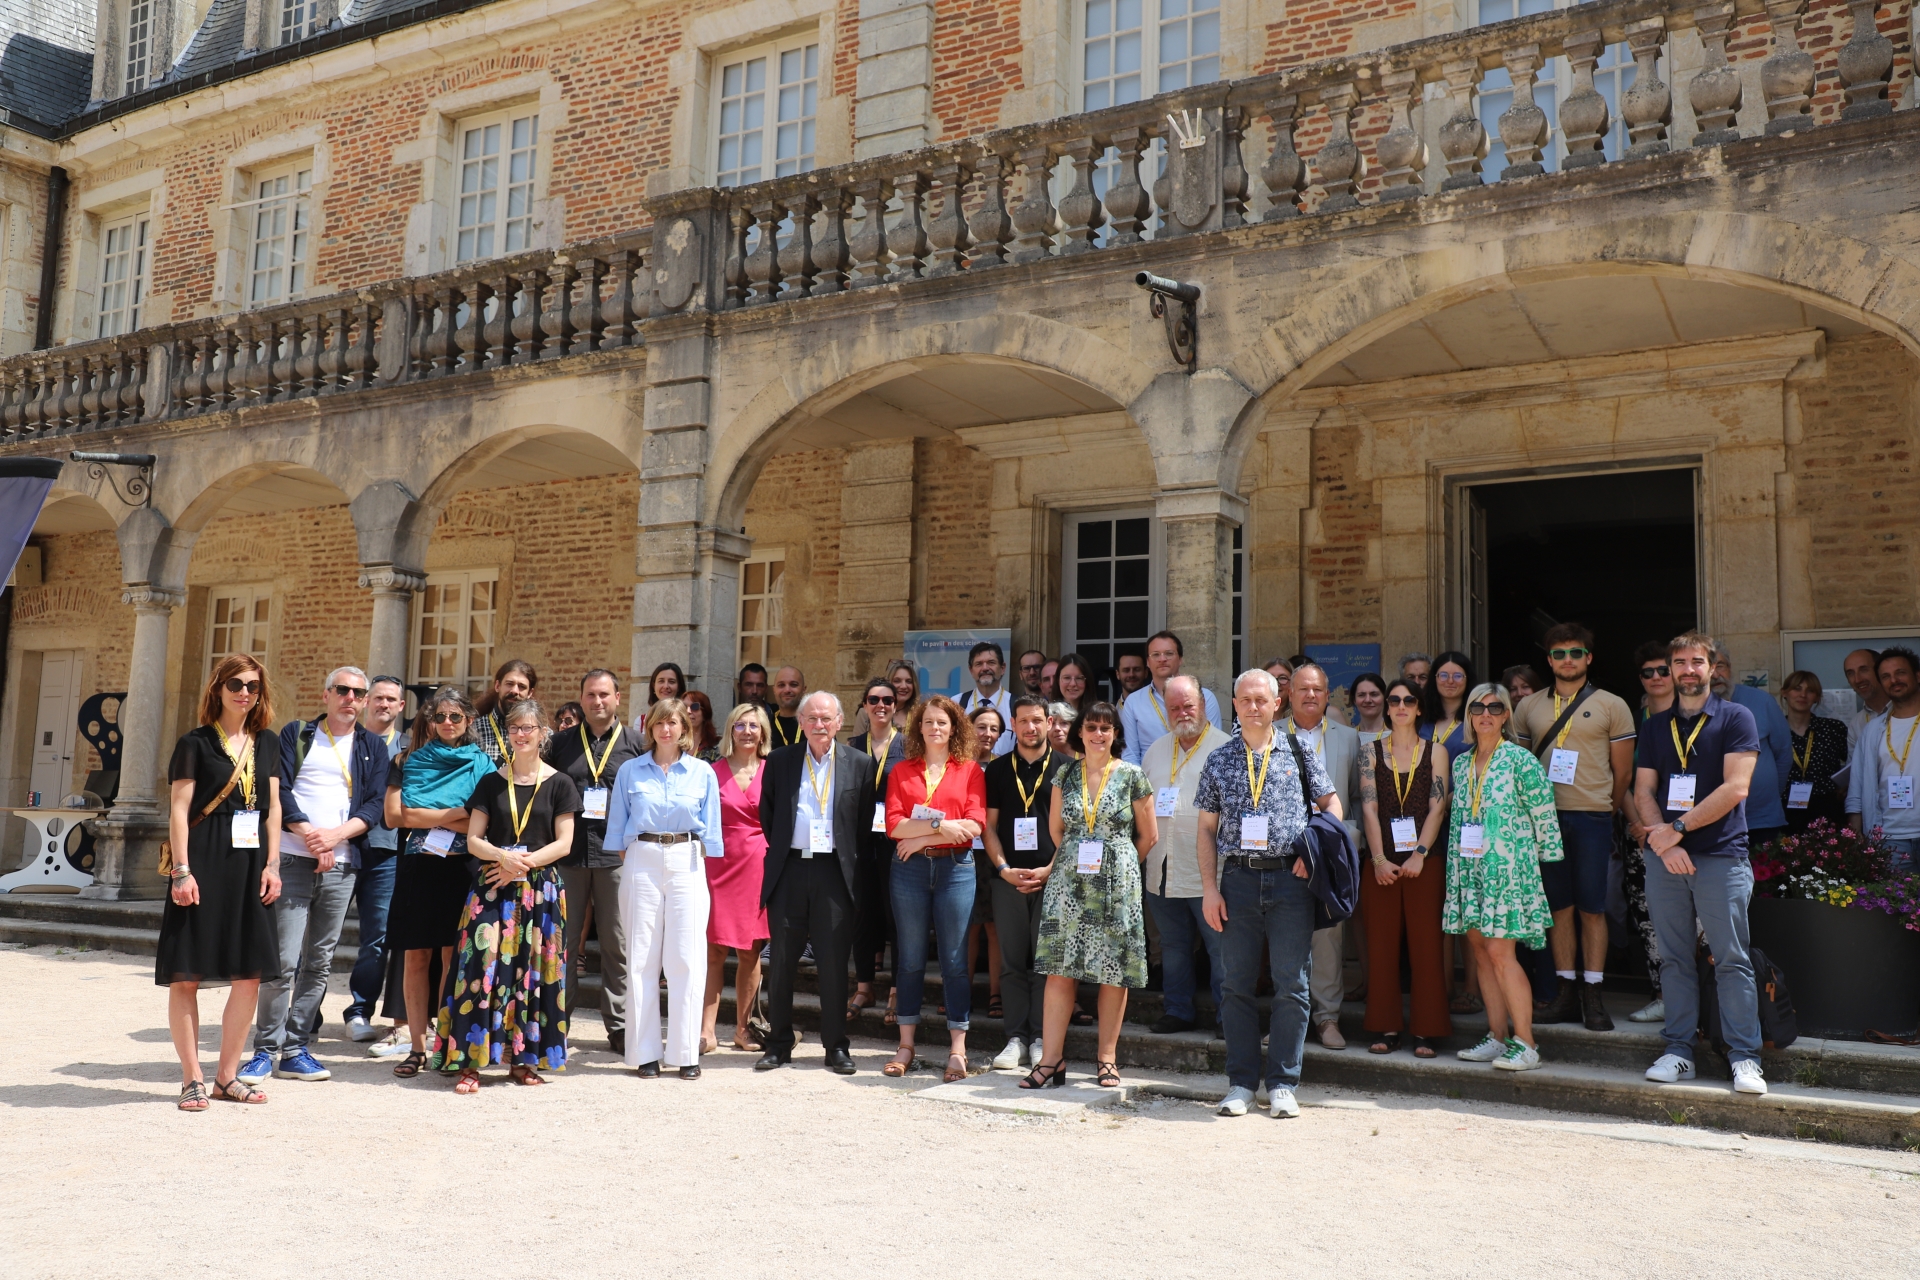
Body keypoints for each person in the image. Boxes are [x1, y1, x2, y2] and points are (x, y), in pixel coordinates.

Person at [235, 666, 391, 1086]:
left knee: (319, 962)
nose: (351, 698)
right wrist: (308, 834)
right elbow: (279, 789)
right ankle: (265, 1050)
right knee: (283, 960)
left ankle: (296, 1047)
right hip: (292, 857)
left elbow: (374, 805)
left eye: (359, 693)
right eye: (342, 690)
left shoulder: (373, 746)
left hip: (341, 863)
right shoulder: (297, 734)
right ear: (326, 694)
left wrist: (336, 837)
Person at [1196, 670, 1337, 1118]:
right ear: (1234, 704)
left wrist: (1314, 850)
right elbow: (1204, 830)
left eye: (1261, 699)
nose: (1253, 707)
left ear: (1278, 703)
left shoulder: (1299, 751)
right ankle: (1240, 1083)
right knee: (1234, 984)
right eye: (1244, 700)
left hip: (1292, 882)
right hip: (1237, 880)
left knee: (1292, 984)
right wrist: (1208, 890)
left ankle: (1282, 1083)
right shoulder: (1218, 760)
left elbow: (1331, 804)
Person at [1633, 631, 1768, 1094]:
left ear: (1714, 669)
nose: (1687, 670)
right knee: (1673, 959)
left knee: (1731, 959)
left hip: (1720, 856)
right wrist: (1664, 844)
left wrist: (1679, 830)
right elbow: (1644, 791)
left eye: (1697, 662)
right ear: (1669, 670)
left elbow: (1736, 788)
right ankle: (1678, 1051)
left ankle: (1745, 1057)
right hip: (1666, 859)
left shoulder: (1736, 717)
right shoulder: (1654, 726)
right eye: (1678, 663)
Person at [158, 656, 285, 1111]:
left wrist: (273, 864)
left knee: (249, 975)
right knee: (186, 975)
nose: (244, 692)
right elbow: (178, 808)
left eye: (252, 685)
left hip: (251, 866)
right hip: (203, 860)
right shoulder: (194, 742)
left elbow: (272, 809)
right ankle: (192, 1077)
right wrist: (182, 870)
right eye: (235, 683)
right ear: (218, 687)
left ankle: (226, 1077)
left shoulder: (268, 742)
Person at [435, 699, 578, 1091]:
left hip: (540, 892)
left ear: (542, 733)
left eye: (528, 728)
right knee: (479, 969)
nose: (520, 734)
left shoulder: (561, 783)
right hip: (493, 886)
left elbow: (564, 843)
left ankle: (523, 1060)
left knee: (534, 973)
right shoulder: (491, 782)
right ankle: (469, 1061)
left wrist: (523, 862)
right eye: (514, 728)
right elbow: (473, 839)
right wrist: (504, 857)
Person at [1020, 701, 1157, 1090]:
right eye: (1092, 727)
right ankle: (1051, 1061)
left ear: (1115, 734)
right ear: (1079, 732)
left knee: (1114, 973)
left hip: (1117, 887)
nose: (1099, 734)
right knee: (1060, 971)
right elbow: (1057, 832)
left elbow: (1148, 837)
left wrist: (1121, 864)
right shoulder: (1065, 774)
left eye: (1106, 728)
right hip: (1069, 885)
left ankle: (1107, 1060)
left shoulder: (1132, 775)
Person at [1514, 623, 1637, 1033]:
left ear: (1589, 657)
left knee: (1592, 908)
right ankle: (1566, 993)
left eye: (1576, 652)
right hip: (1543, 818)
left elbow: (1623, 772)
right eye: (1560, 653)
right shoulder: (1527, 706)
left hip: (1591, 817)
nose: (1568, 659)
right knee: (1558, 907)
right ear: (1549, 661)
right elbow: (1517, 766)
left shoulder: (1611, 704)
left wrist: (1607, 806)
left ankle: (1594, 995)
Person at [756, 690, 876, 1074]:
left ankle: (835, 1046)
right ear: (802, 723)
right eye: (812, 718)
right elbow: (768, 814)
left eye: (826, 718)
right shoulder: (780, 761)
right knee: (782, 962)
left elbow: (864, 824)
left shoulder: (860, 763)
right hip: (790, 869)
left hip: (834, 874)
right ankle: (778, 1043)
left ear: (840, 722)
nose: (819, 725)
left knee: (834, 963)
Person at [1445, 683, 1563, 1073]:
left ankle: (1526, 1042)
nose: (1486, 714)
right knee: (1480, 952)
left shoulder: (1521, 760)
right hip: (1470, 869)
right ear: (1469, 714)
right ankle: (1496, 1036)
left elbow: (1544, 813)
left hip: (1509, 871)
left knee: (1501, 953)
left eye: (1495, 707)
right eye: (1478, 706)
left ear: (1506, 714)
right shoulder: (1460, 763)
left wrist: (1547, 863)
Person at [605, 698, 723, 1080]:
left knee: (686, 956)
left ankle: (687, 1051)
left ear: (684, 729)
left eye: (673, 723)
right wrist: (638, 856)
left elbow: (713, 828)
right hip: (643, 856)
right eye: (659, 723)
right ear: (650, 728)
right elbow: (618, 825)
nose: (666, 730)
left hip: (687, 858)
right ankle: (645, 1053)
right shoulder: (629, 771)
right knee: (641, 956)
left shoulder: (703, 772)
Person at [382, 686, 493, 1080]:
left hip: (462, 868)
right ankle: (416, 1046)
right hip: (418, 867)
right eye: (440, 717)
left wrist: (425, 812)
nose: (447, 723)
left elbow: (482, 819)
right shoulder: (406, 760)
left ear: (468, 721)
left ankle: (445, 1043)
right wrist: (453, 815)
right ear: (429, 721)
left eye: (455, 717)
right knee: (416, 957)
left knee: (453, 958)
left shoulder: (482, 764)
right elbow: (395, 817)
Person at [883, 694, 988, 1082]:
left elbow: (975, 825)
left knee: (955, 962)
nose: (935, 728)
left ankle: (958, 1049)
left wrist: (921, 834)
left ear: (954, 727)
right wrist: (943, 829)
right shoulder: (901, 771)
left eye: (942, 722)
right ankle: (906, 1045)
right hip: (909, 870)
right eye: (928, 722)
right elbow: (895, 826)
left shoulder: (970, 770)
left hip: (956, 871)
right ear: (918, 728)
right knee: (909, 958)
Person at [545, 669, 640, 1056]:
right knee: (564, 944)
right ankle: (558, 1023)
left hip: (617, 856)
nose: (597, 702)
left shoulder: (636, 743)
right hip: (568, 854)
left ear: (618, 697)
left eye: (604, 695)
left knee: (617, 943)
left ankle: (617, 1025)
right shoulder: (561, 743)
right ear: (581, 698)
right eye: (590, 695)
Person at [1359, 678, 1451, 1056]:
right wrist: (1379, 859)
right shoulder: (1370, 752)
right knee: (1381, 946)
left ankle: (1427, 1030)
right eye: (1394, 700)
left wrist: (1420, 853)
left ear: (1418, 708)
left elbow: (1438, 806)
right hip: (1380, 859)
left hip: (1423, 859)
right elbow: (1368, 806)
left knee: (1426, 946)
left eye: (1408, 700)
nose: (1400, 706)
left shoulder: (1437, 751)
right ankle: (1385, 1026)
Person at [1139, 675, 1231, 1035]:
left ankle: (1228, 1018)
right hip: (1161, 868)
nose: (1181, 713)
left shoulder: (1226, 750)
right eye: (1173, 707)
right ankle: (1178, 1010)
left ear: (1204, 705)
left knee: (1220, 949)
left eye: (1188, 705)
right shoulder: (1156, 750)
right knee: (1173, 946)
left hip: (1210, 874)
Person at [1283, 663, 1363, 1050]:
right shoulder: (1269, 734)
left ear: (1327, 694)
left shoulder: (1349, 739)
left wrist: (1350, 839)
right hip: (1281, 855)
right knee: (1284, 938)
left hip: (1328, 854)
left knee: (1329, 938)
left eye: (1318, 690)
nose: (1310, 696)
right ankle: (1287, 1023)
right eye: (1303, 689)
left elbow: (1359, 799)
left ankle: (1327, 1018)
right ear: (1290, 694)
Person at [982, 695, 1061, 1068]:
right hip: (1008, 880)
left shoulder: (1066, 768)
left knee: (1046, 963)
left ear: (1048, 723)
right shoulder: (996, 771)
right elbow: (989, 827)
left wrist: (1049, 869)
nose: (1031, 727)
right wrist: (1002, 869)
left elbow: (1073, 830)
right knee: (1012, 962)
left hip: (1053, 879)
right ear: (1013, 724)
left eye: (1038, 720)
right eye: (1024, 721)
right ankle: (1015, 1038)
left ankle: (1044, 1036)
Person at [705, 703, 773, 1053]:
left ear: (763, 732)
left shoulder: (773, 770)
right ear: (730, 730)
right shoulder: (709, 771)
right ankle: (706, 1032)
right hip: (717, 864)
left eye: (754, 726)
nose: (748, 731)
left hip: (758, 865)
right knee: (713, 950)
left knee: (750, 952)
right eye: (741, 725)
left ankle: (744, 1029)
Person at [349, 675, 410, 1054]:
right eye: (378, 698)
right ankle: (304, 1015)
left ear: (402, 706)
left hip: (385, 849)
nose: (384, 704)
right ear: (366, 701)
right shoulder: (343, 739)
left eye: (392, 700)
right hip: (338, 846)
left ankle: (359, 1011)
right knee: (317, 937)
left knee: (376, 937)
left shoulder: (408, 746)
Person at [1620, 642, 1676, 1025]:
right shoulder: (1631, 718)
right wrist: (1637, 822)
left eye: (1662, 670)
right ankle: (1661, 994)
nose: (1656, 677)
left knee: (1691, 918)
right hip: (1639, 831)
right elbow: (1620, 777)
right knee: (1647, 915)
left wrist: (1669, 826)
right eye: (1648, 672)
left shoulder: (1692, 716)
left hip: (1684, 832)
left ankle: (1697, 998)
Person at [850, 678, 906, 1021]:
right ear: (865, 705)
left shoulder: (910, 745)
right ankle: (864, 987)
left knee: (896, 916)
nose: (881, 705)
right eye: (874, 699)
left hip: (897, 840)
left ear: (896, 706)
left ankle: (897, 991)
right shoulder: (853, 744)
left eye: (888, 699)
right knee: (862, 915)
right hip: (861, 841)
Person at [1847, 646, 1920, 873]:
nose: (1894, 680)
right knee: (1894, 907)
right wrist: (1856, 835)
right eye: (1886, 676)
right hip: (1889, 839)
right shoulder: (1873, 730)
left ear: (1917, 676)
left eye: (1900, 673)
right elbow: (1856, 787)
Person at [1713, 649, 1792, 847]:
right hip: (1713, 822)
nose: (1715, 675)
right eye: (1709, 667)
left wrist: (1769, 791)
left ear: (1730, 668)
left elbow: (1783, 753)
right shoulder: (1693, 707)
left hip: (1762, 818)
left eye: (1720, 666)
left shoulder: (1761, 701)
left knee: (1767, 876)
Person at [1120, 631, 1222, 766]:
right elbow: (1130, 754)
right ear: (1148, 662)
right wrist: (1142, 786)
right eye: (1155, 655)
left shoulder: (1205, 697)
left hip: (1197, 778)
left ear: (1180, 659)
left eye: (1169, 653)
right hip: (1151, 780)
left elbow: (1214, 745)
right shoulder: (1133, 702)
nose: (1162, 659)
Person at [965, 702, 1006, 1020]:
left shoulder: (1001, 769)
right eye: (982, 727)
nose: (988, 734)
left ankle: (996, 994)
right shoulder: (956, 767)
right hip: (962, 853)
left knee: (993, 928)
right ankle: (960, 992)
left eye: (994, 729)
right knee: (966, 928)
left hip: (992, 855)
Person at [1780, 671, 1849, 831]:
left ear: (1817, 697)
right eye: (1797, 688)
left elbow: (1854, 763)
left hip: (1828, 807)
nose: (1803, 695)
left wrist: (1846, 787)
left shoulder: (1833, 729)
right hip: (1785, 809)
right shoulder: (1775, 730)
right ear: (1785, 693)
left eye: (1810, 690)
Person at [956, 640, 1015, 754]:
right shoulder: (957, 703)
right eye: (979, 664)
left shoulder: (1016, 705)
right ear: (971, 670)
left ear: (1002, 668)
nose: (985, 668)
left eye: (991, 662)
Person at [475, 659, 538, 764]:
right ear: (497, 686)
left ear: (530, 693)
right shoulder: (474, 730)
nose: (514, 691)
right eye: (509, 684)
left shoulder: (542, 734)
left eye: (521, 686)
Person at [1843, 647, 1889, 749]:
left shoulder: (1909, 711)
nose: (1857, 679)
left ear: (1880, 671)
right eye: (1850, 673)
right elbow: (1854, 764)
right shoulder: (1856, 724)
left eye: (1864, 670)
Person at [769, 665, 806, 748]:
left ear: (804, 689)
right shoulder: (765, 727)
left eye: (793, 684)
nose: (787, 690)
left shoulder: (815, 724)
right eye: (781, 685)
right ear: (774, 690)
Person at [1349, 672, 1387, 743]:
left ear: (1384, 698)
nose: (1367, 700)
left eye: (1374, 694)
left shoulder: (1396, 736)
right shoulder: (1347, 738)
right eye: (1361, 695)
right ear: (1354, 700)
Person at [1055, 653, 1095, 719]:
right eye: (1067, 678)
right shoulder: (1047, 714)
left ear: (1087, 681)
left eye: (1079, 678)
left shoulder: (1097, 716)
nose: (1073, 684)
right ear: (1057, 680)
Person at [684, 690, 722, 762]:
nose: (688, 711)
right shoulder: (673, 744)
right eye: (684, 707)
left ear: (705, 713)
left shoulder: (717, 747)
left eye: (694, 707)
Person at [885, 657, 922, 729]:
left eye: (908, 681)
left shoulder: (919, 714)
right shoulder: (870, 711)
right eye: (897, 681)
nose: (903, 686)